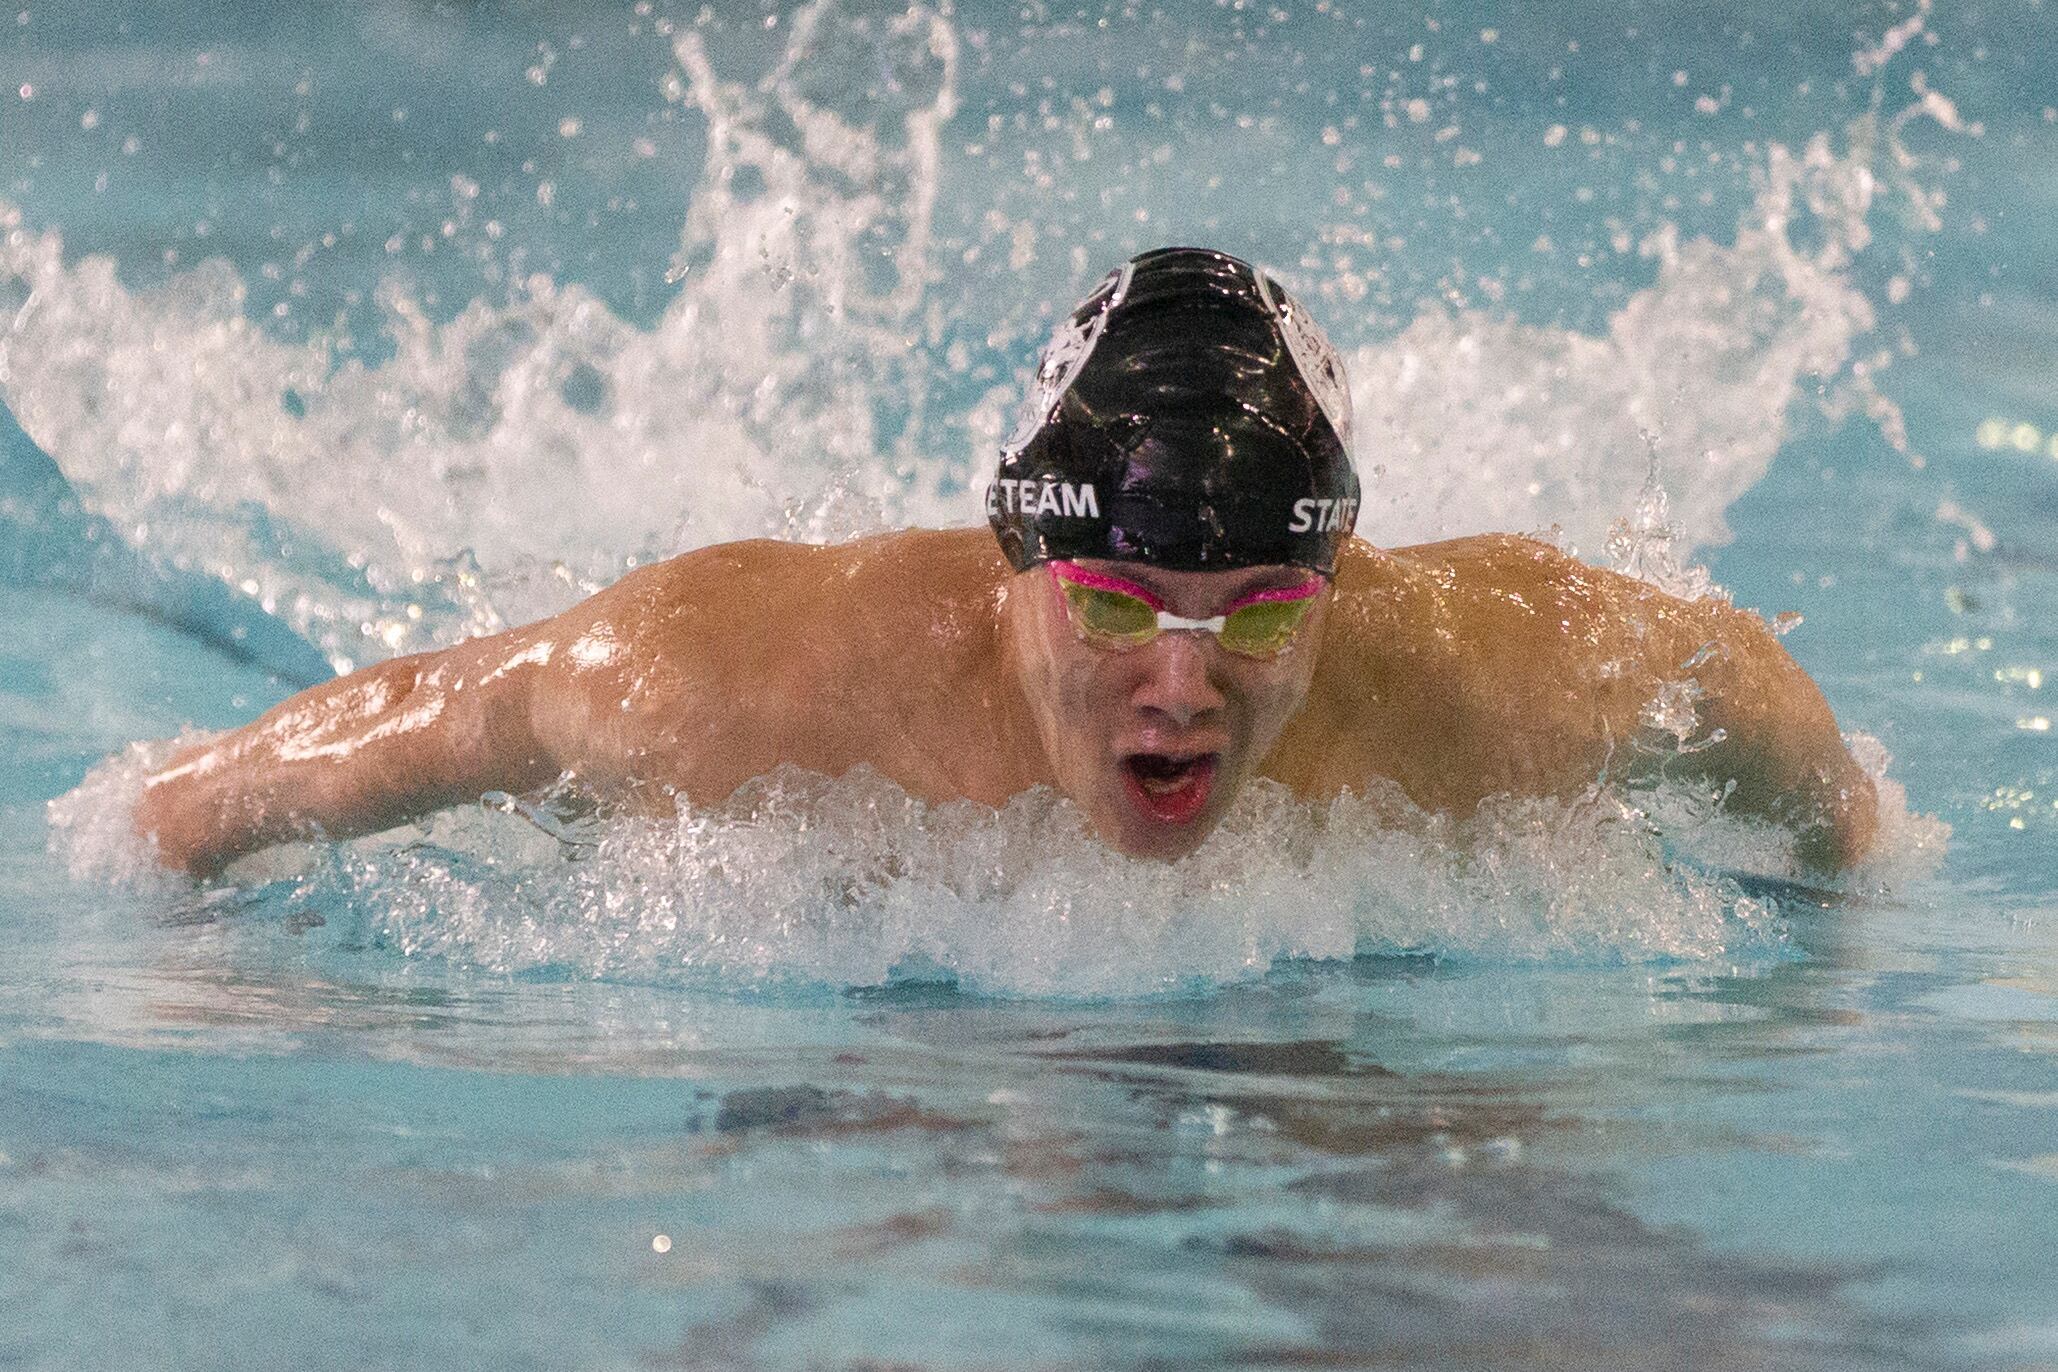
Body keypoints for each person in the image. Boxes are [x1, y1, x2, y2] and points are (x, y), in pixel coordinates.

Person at [132, 247, 1877, 878]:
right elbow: (309, 765)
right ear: (1017, 574)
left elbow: (1761, 713)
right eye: (1117, 604)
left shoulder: (1492, 688)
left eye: (1255, 615)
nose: (1182, 681)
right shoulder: (730, 682)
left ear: (1331, 596)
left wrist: (1851, 890)